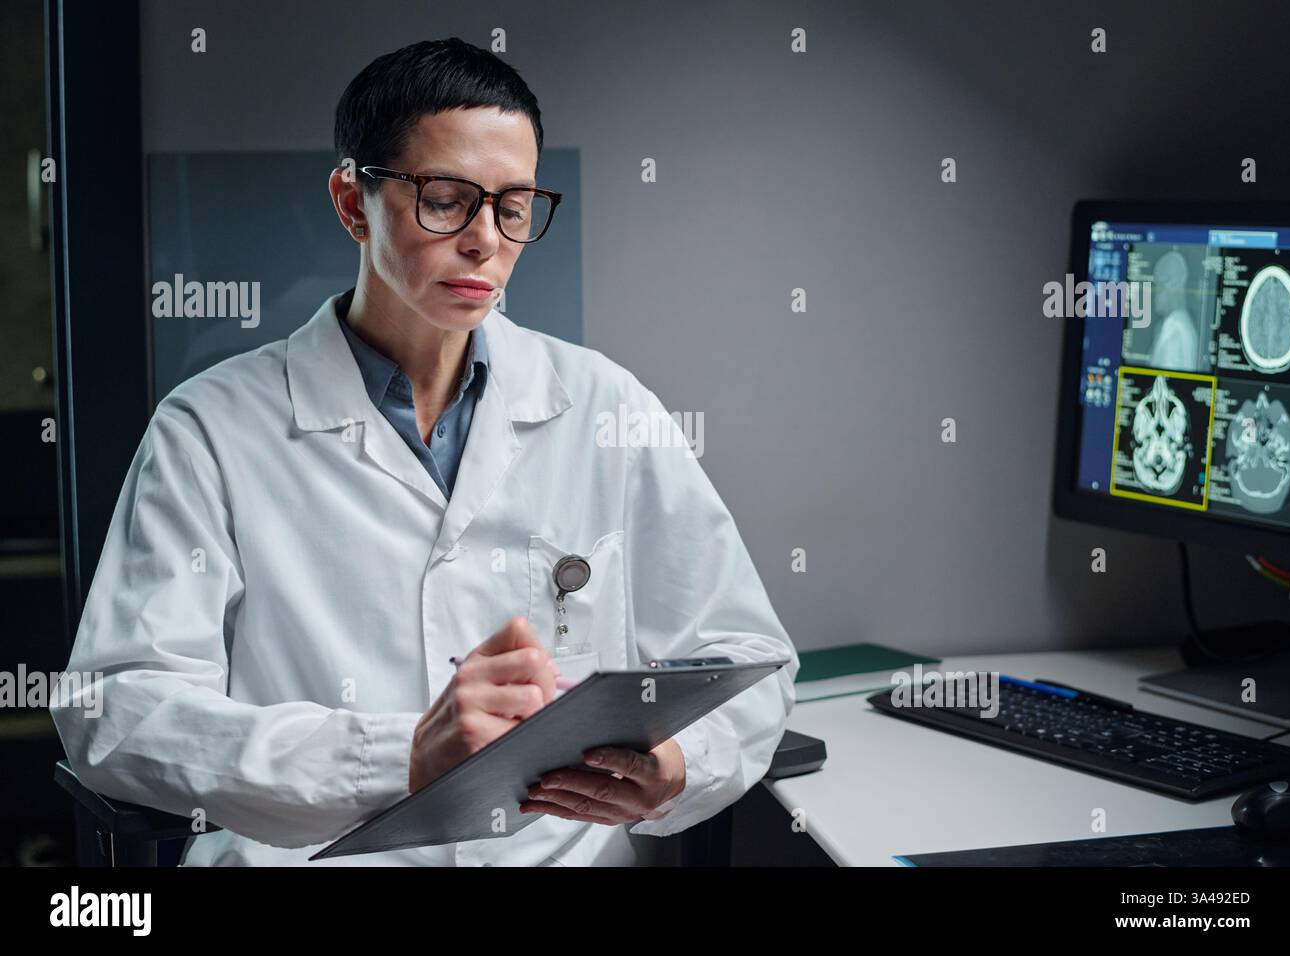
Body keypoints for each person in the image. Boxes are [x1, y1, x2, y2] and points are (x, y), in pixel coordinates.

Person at [50, 37, 798, 866]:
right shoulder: (211, 429)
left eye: (512, 206)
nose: (484, 240)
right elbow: (115, 711)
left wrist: (678, 768)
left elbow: (747, 658)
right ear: (350, 201)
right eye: (445, 199)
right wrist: (396, 756)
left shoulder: (606, 406)